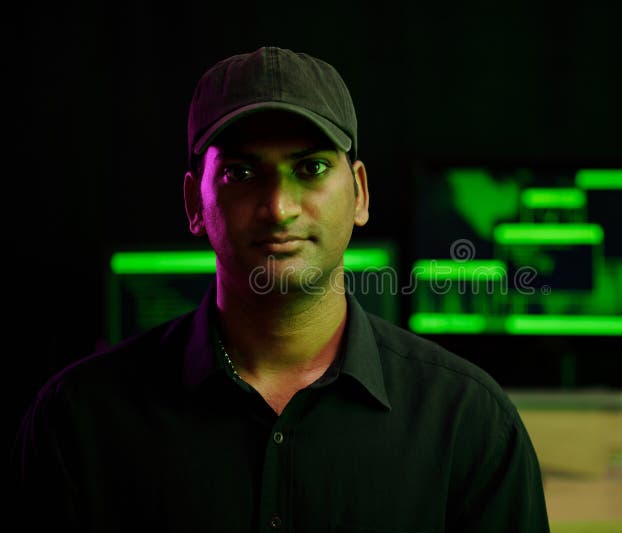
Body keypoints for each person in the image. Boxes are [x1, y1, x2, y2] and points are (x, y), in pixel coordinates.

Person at [10, 45, 550, 532]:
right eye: (241, 174)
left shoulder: (469, 424)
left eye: (310, 168)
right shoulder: (78, 423)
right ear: (194, 204)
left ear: (360, 194)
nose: (279, 207)